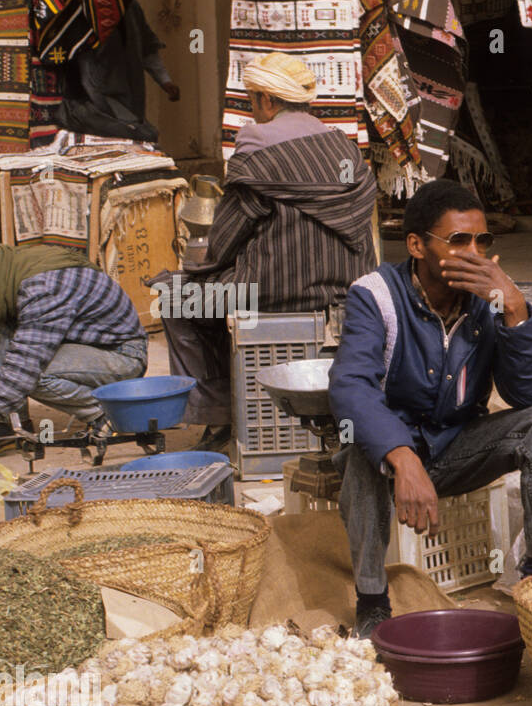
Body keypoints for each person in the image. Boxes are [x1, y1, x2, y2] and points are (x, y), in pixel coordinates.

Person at [329, 180, 532, 638]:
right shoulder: (375, 295)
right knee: (360, 451)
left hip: (456, 446)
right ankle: (372, 601)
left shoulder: (492, 299)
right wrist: (401, 457)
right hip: (391, 455)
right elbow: (350, 388)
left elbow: (529, 394)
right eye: (458, 241)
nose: (475, 253)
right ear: (417, 245)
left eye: (483, 241)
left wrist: (516, 310)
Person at [160, 52, 377, 451]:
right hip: (351, 290)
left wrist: (201, 268)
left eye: (252, 100)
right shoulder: (345, 151)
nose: (252, 111)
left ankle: (219, 411)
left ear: (268, 101)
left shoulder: (258, 154)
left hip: (271, 293)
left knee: (176, 298)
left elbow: (223, 244)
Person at [0, 244, 147, 438]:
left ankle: (108, 415)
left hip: (122, 356)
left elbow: (23, 369)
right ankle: (12, 424)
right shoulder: (10, 267)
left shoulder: (43, 289)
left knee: (31, 374)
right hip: (80, 346)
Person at [53, 0, 180, 142]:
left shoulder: (131, 8)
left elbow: (148, 47)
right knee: (140, 135)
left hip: (130, 97)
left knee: (140, 136)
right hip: (93, 104)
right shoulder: (82, 9)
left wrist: (164, 80)